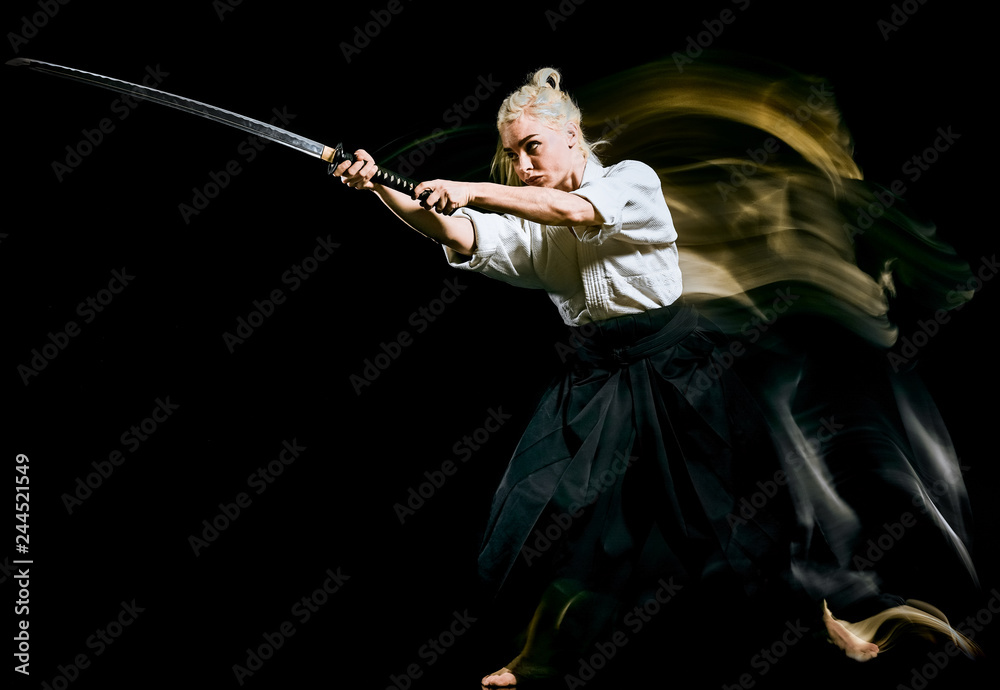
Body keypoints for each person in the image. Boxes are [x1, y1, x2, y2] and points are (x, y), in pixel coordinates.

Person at [332, 66, 979, 685]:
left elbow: (575, 213)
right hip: (599, 383)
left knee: (727, 542)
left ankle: (842, 623)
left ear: (569, 134)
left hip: (682, 377)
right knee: (542, 512)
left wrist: (475, 188)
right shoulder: (536, 228)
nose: (523, 165)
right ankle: (537, 657)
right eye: (512, 157)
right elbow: (461, 231)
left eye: (532, 149)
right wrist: (380, 185)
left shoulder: (628, 183)